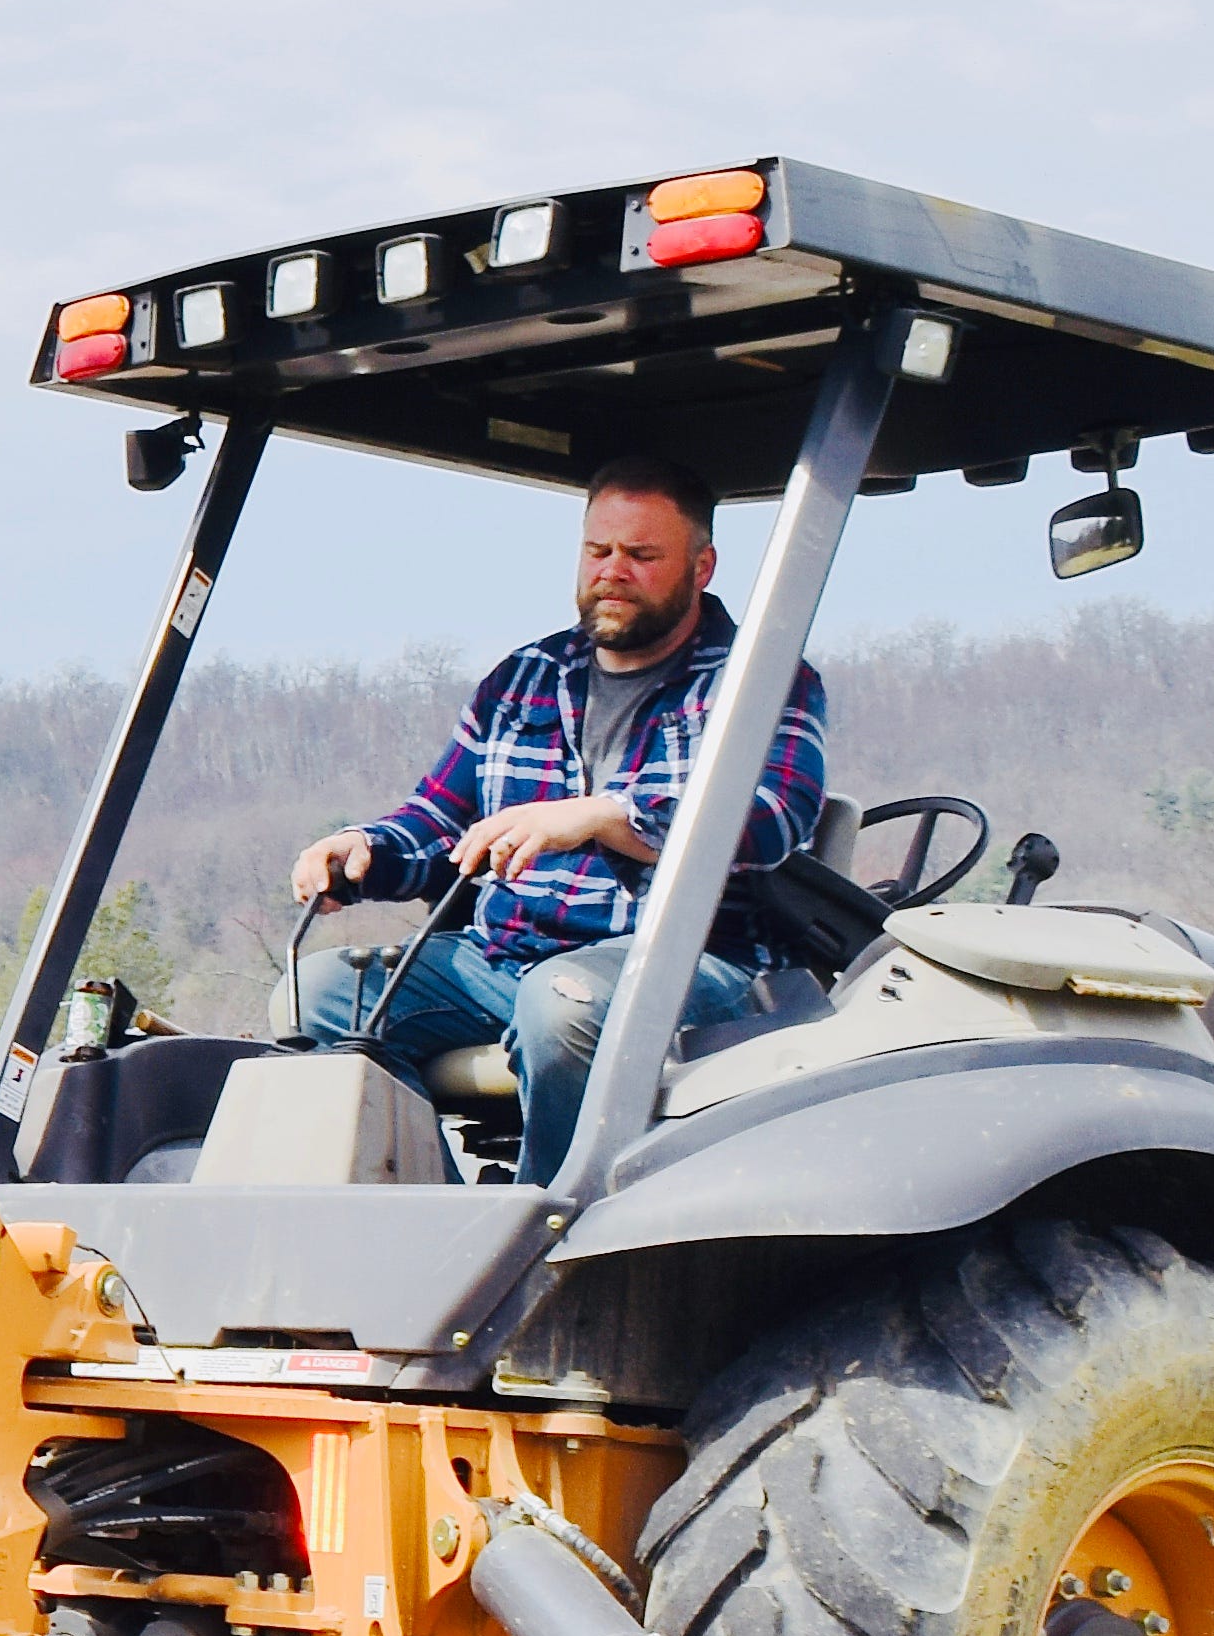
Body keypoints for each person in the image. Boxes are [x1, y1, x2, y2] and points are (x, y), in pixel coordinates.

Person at [285, 453, 829, 1185]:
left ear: (701, 568)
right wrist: (363, 851)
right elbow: (439, 819)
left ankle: (549, 1224)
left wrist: (605, 817)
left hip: (681, 960)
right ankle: (439, 1216)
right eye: (598, 551)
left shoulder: (758, 678)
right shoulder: (525, 679)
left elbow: (772, 816)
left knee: (564, 1001)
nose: (613, 571)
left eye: (641, 556)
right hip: (504, 958)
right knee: (317, 990)